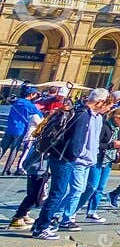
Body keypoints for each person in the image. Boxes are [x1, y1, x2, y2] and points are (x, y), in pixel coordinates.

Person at [33, 89, 111, 238]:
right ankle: (41, 228)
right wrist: (76, 155)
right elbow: (77, 140)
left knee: (58, 192)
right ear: (100, 102)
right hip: (65, 158)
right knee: (58, 193)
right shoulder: (84, 115)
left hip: (61, 156)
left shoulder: (80, 111)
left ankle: (41, 224)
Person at [80, 95, 120, 222]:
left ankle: (92, 212)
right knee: (92, 186)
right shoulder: (104, 124)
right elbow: (96, 143)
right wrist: (111, 145)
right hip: (98, 158)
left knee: (100, 187)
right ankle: (74, 209)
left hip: (109, 159)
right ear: (117, 117)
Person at [2, 90, 41, 175]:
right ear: (31, 94)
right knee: (14, 150)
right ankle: (6, 170)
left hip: (10, 128)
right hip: (20, 130)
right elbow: (40, 117)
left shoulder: (16, 102)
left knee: (2, 148)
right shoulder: (30, 105)